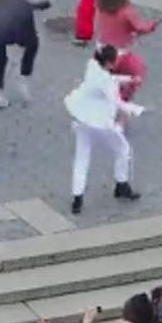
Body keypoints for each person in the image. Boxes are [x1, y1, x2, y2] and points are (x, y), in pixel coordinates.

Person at [66, 45, 143, 214]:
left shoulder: (92, 66)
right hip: (101, 123)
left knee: (82, 158)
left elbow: (110, 78)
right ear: (108, 63)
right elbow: (117, 102)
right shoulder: (106, 82)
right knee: (123, 149)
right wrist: (135, 109)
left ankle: (77, 198)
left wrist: (128, 79)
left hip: (82, 120)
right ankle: (121, 185)